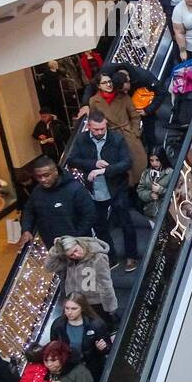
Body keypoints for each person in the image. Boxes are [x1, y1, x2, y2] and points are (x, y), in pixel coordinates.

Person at [67, 109, 139, 271]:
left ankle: (131, 257)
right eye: (95, 129)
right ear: (89, 127)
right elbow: (72, 160)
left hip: (116, 187)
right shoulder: (81, 139)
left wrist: (104, 170)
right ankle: (110, 257)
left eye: (102, 129)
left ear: (106, 124)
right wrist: (93, 164)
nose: (99, 132)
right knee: (99, 226)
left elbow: (127, 162)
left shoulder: (117, 139)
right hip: (95, 191)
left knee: (126, 223)